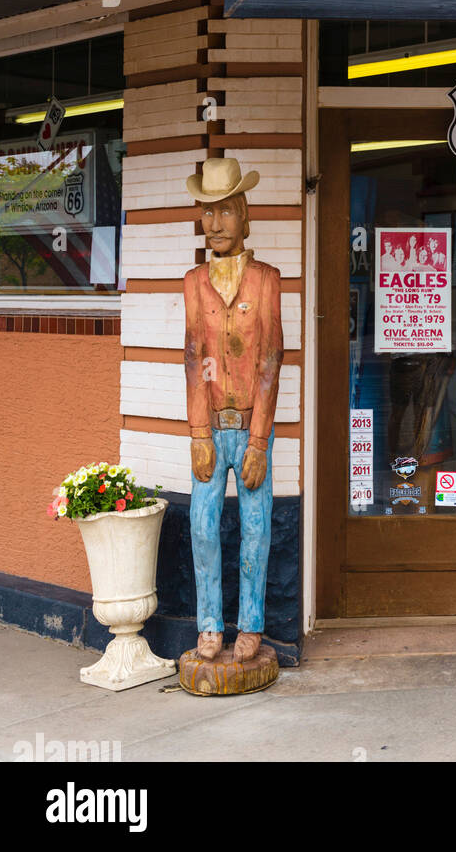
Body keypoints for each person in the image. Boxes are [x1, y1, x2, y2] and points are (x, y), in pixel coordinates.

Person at [183, 158, 282, 664]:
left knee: (256, 526)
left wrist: (261, 440)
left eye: (224, 210)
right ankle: (208, 623)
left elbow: (270, 362)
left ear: (244, 214)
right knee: (201, 524)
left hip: (249, 426)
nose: (215, 223)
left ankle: (251, 623)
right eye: (207, 211)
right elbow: (194, 356)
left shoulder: (266, 280)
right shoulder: (193, 281)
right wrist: (198, 433)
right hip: (211, 428)